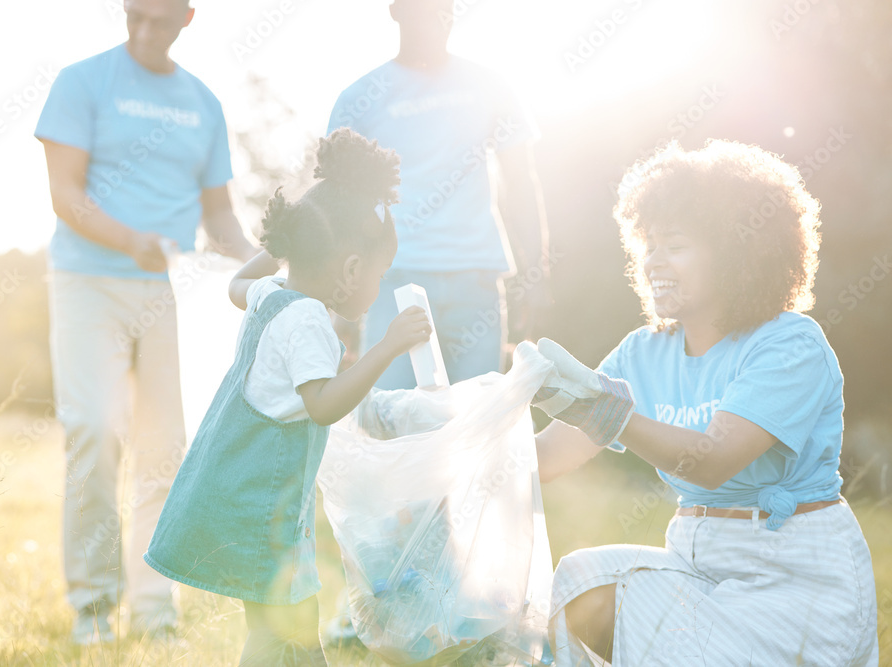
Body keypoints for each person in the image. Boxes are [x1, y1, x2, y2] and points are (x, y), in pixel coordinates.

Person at [532, 140, 879, 665]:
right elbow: (547, 459)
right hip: (697, 558)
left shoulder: (790, 344)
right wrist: (459, 426)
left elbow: (713, 460)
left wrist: (606, 413)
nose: (653, 261)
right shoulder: (642, 352)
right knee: (580, 583)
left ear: (738, 251)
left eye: (675, 244)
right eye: (647, 245)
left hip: (797, 577)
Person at [143, 128, 432, 666]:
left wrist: (279, 245)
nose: (377, 286)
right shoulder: (307, 322)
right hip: (260, 510)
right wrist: (388, 347)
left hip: (237, 493)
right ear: (350, 270)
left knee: (284, 634)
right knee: (288, 633)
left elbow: (235, 285)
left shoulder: (270, 296)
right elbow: (323, 404)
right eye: (379, 273)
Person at [34, 0, 256, 645]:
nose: (142, 31)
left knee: (166, 450)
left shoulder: (203, 103)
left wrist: (269, 261)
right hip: (89, 282)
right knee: (96, 429)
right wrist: (131, 241)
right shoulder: (81, 81)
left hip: (172, 291)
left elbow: (220, 219)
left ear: (188, 17)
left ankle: (156, 611)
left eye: (159, 19)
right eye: (133, 14)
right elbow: (66, 194)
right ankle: (94, 606)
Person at [327, 0, 550, 389]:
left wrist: (536, 275)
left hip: (476, 281)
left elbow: (522, 183)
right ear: (396, 11)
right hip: (392, 284)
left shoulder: (490, 85)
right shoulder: (358, 98)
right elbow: (339, 204)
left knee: (475, 427)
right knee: (390, 424)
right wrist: (341, 300)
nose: (436, 16)